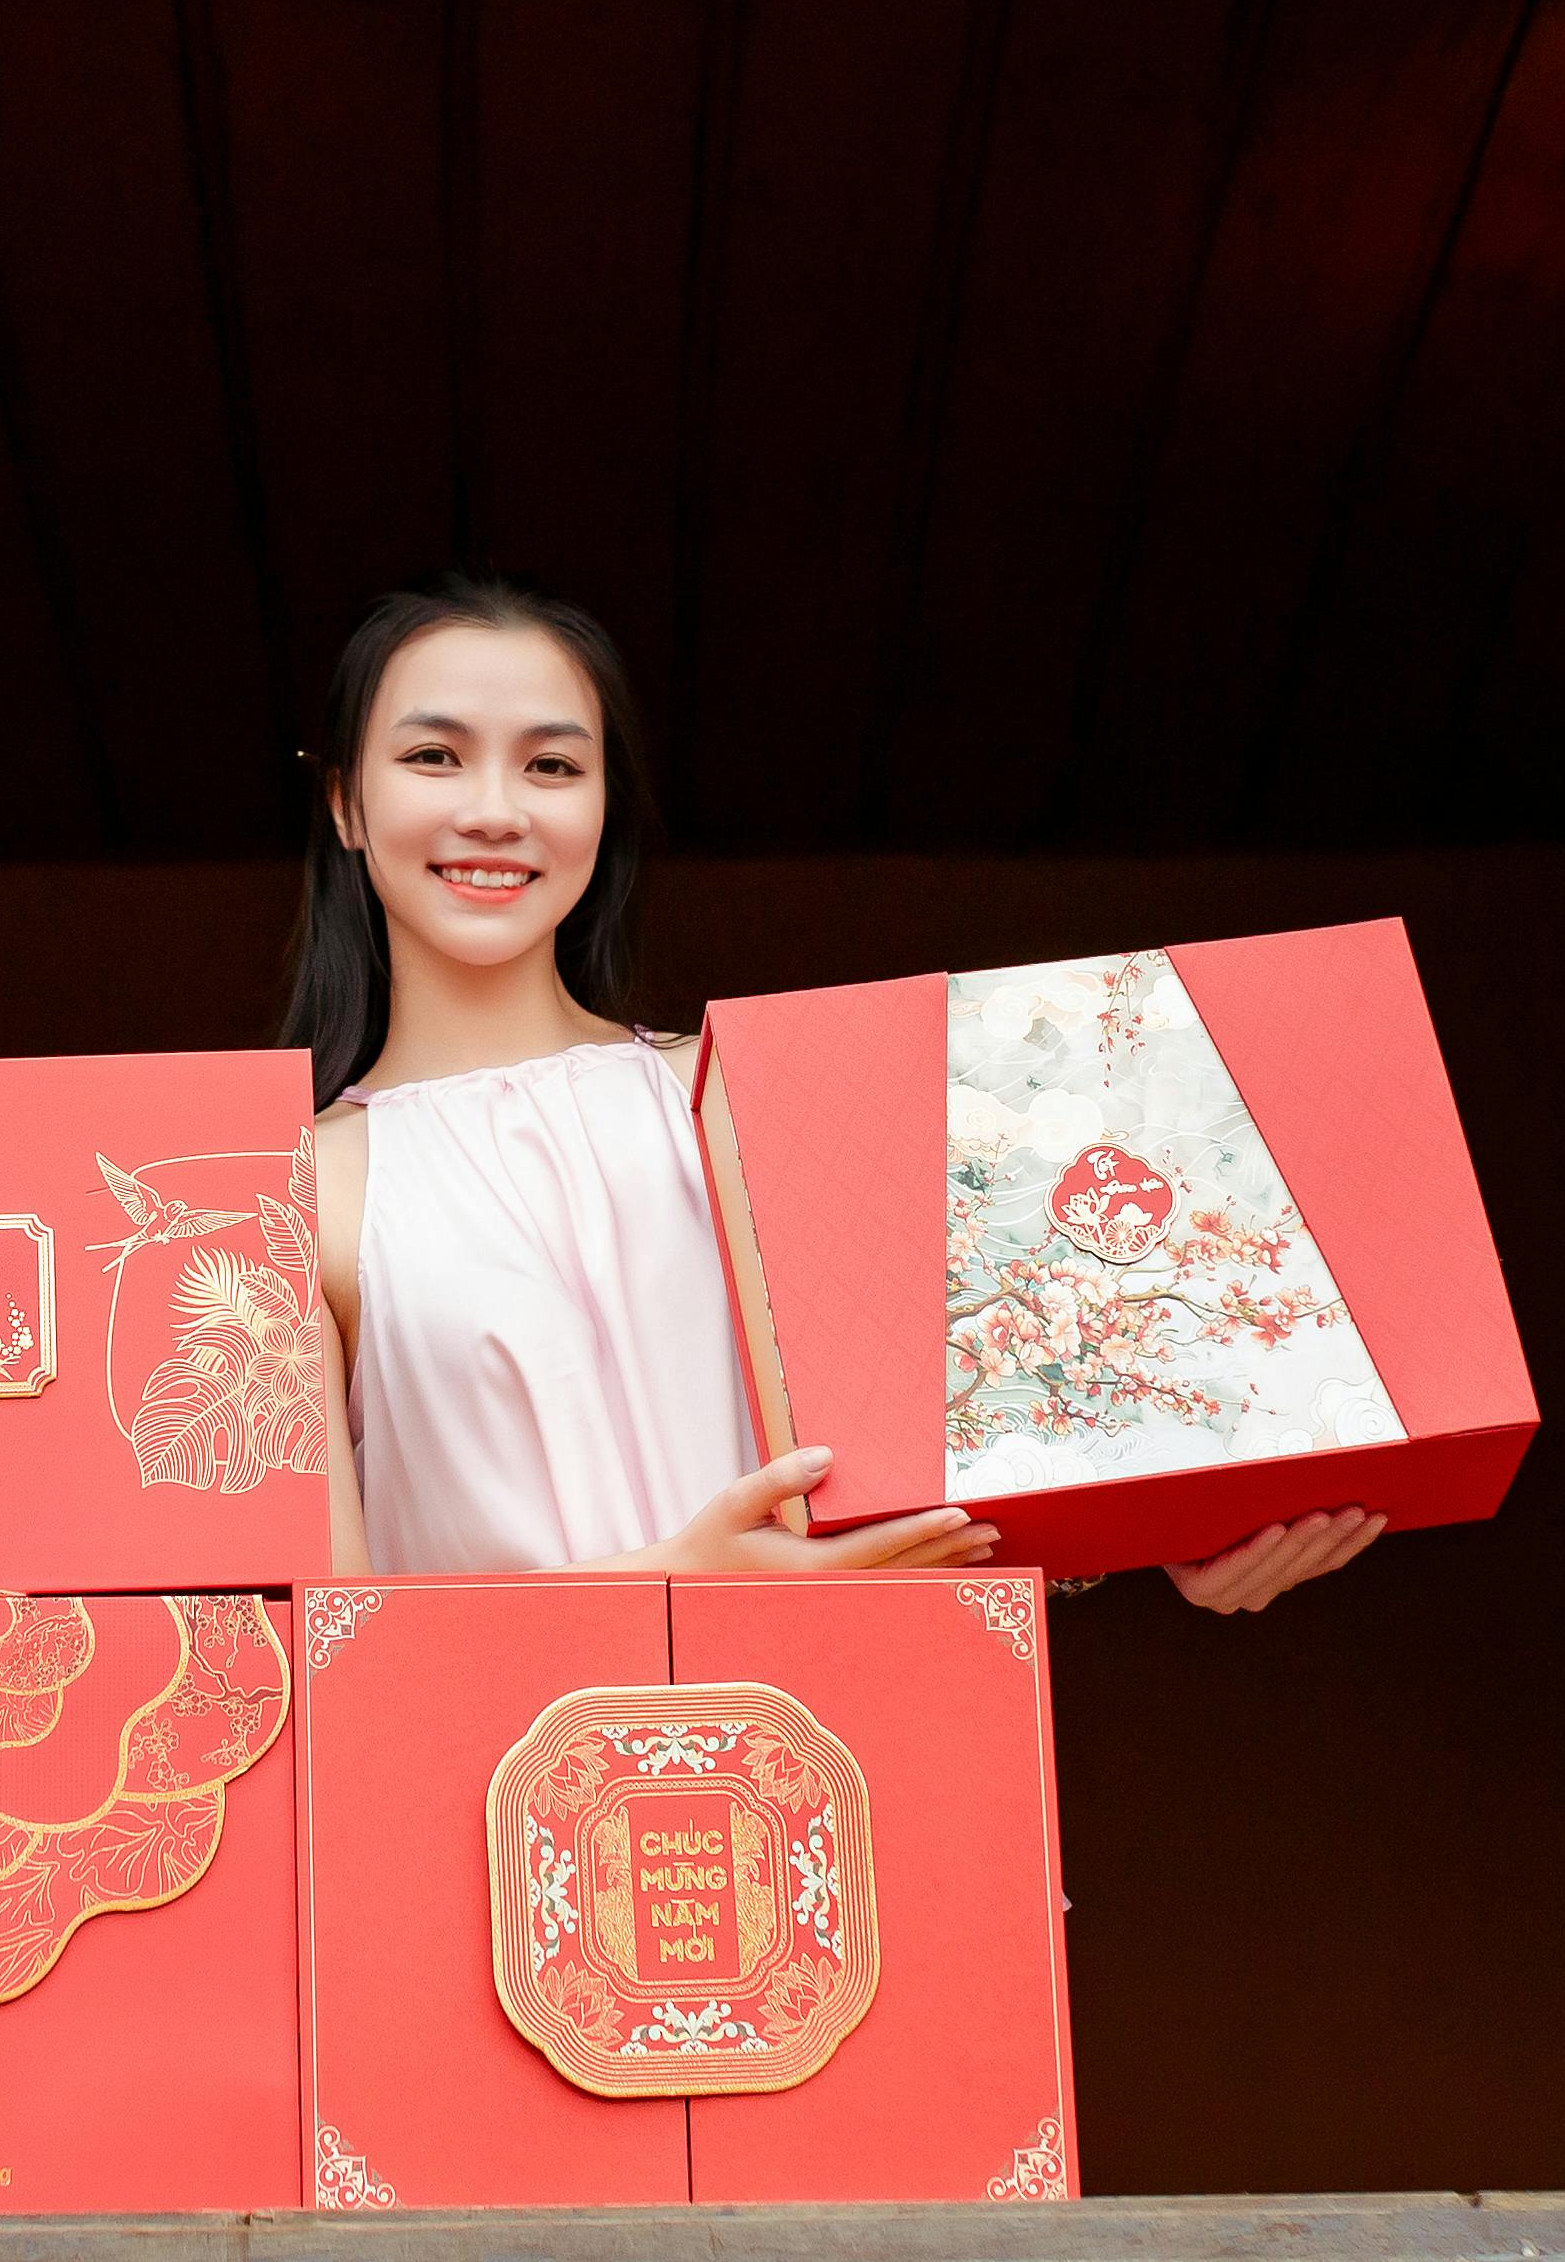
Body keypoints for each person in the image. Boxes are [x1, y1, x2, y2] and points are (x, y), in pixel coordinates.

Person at [286, 574, 1387, 1611]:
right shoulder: (282, 1194)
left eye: (553, 767)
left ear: (607, 805)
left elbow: (964, 1465)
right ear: (344, 800)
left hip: (840, 1770)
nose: (494, 811)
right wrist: (680, 1581)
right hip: (493, 1797)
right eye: (435, 756)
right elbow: (326, 1647)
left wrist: (1165, 1529)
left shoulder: (760, 1101)